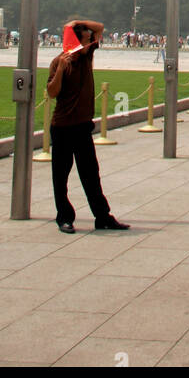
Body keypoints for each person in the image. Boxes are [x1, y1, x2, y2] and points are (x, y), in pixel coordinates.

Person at [46, 20, 129, 233]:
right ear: (75, 38)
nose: (89, 38)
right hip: (63, 127)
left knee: (91, 174)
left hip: (82, 127)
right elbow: (52, 92)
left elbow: (100, 28)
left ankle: (102, 216)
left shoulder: (86, 56)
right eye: (85, 35)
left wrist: (79, 23)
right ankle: (64, 217)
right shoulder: (59, 62)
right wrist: (61, 70)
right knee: (61, 175)